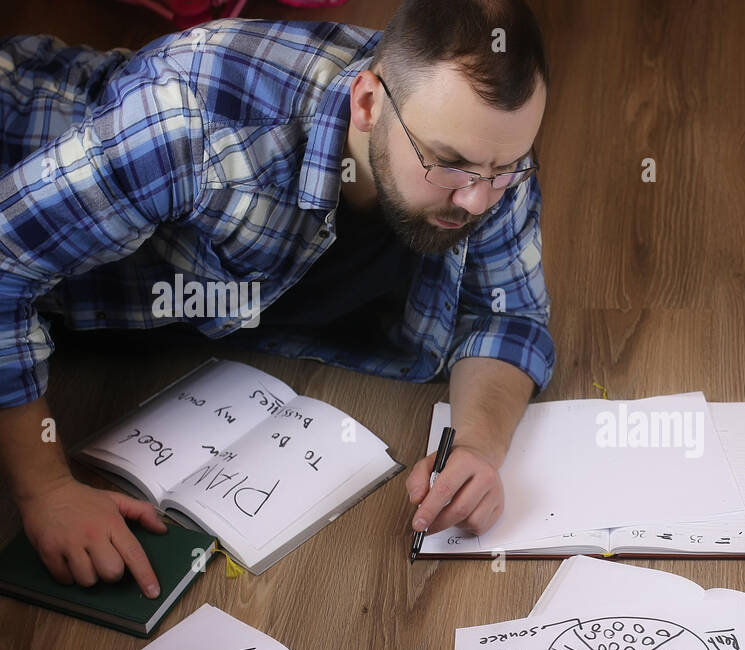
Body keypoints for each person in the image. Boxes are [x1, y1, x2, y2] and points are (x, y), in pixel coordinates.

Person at [0, 0, 552, 596]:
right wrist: (47, 492)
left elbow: (509, 314)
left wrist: (476, 447)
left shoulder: (481, 146)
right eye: (449, 166)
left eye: (505, 169)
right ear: (367, 105)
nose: (478, 201)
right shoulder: (189, 125)